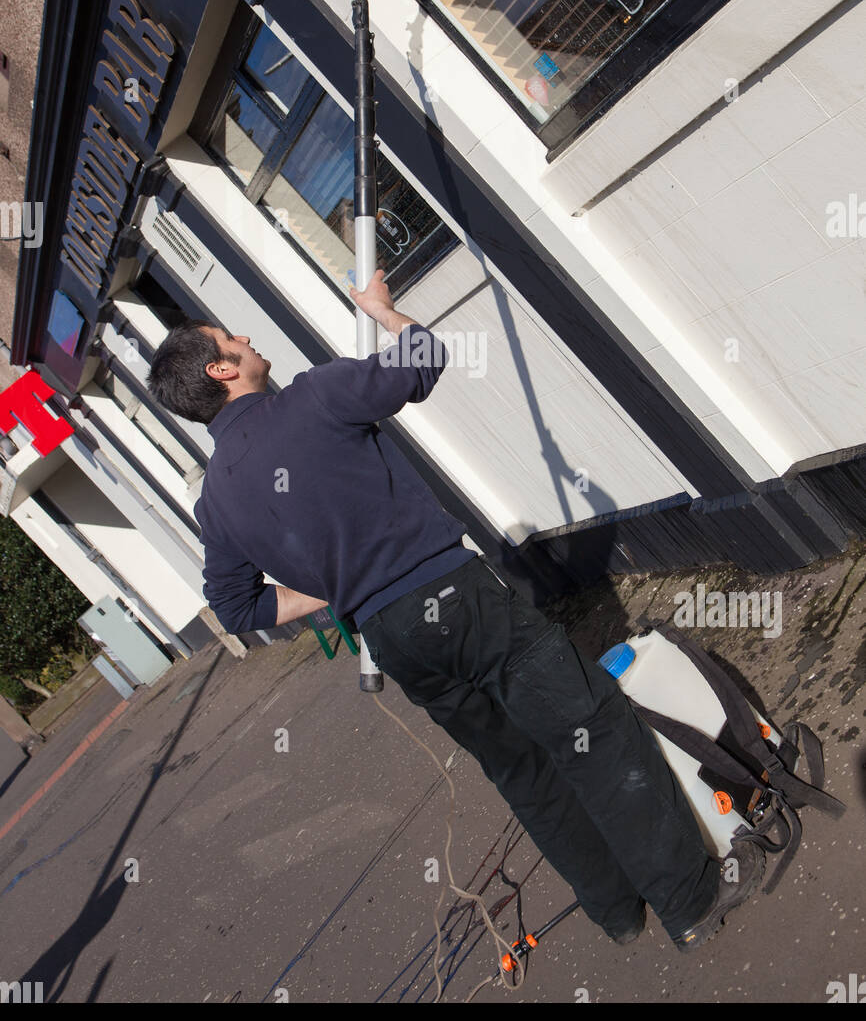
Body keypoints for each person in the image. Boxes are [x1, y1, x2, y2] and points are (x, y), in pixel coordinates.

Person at [147, 269, 762, 951]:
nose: (248, 336)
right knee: (590, 724)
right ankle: (691, 897)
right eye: (232, 336)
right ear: (220, 367)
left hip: (392, 637)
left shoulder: (217, 502)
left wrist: (336, 585)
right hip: (457, 600)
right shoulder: (313, 396)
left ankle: (616, 912)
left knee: (522, 770)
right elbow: (422, 358)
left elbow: (234, 605)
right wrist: (382, 310)